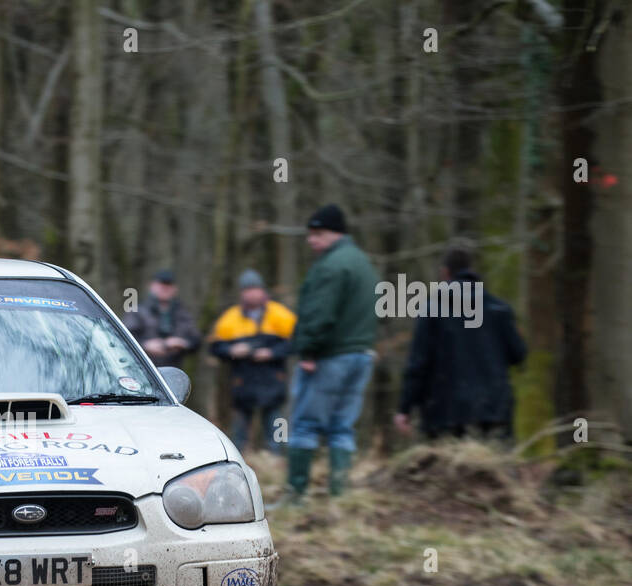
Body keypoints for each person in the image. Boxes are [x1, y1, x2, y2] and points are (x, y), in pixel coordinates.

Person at [285, 204, 379, 498]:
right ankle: (339, 494)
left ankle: (296, 493)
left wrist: (309, 352)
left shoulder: (331, 266)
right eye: (310, 234)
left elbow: (320, 315)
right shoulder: (364, 263)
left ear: (334, 233)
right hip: (361, 355)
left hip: (329, 357)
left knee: (305, 425)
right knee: (342, 427)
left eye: (317, 234)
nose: (310, 240)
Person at [395, 245, 527, 441]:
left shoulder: (432, 310)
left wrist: (404, 408)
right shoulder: (499, 309)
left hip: (445, 415)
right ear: (472, 271)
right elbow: (519, 354)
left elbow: (418, 364)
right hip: (494, 410)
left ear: (445, 273)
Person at [209, 270, 297, 453]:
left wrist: (272, 353)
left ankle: (277, 457)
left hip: (273, 378)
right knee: (239, 426)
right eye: (248, 289)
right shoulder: (231, 317)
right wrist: (231, 350)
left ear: (263, 291)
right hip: (242, 380)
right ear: (241, 293)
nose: (252, 293)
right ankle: (237, 458)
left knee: (276, 422)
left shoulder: (280, 314)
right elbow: (215, 347)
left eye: (256, 289)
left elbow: (297, 342)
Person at [125, 269, 201, 368]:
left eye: (169, 286)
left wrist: (183, 344)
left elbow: (196, 340)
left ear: (175, 289)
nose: (165, 289)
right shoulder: (137, 311)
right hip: (142, 368)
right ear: (152, 286)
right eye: (162, 285)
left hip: (174, 369)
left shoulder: (182, 313)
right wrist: (144, 346)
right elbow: (124, 337)